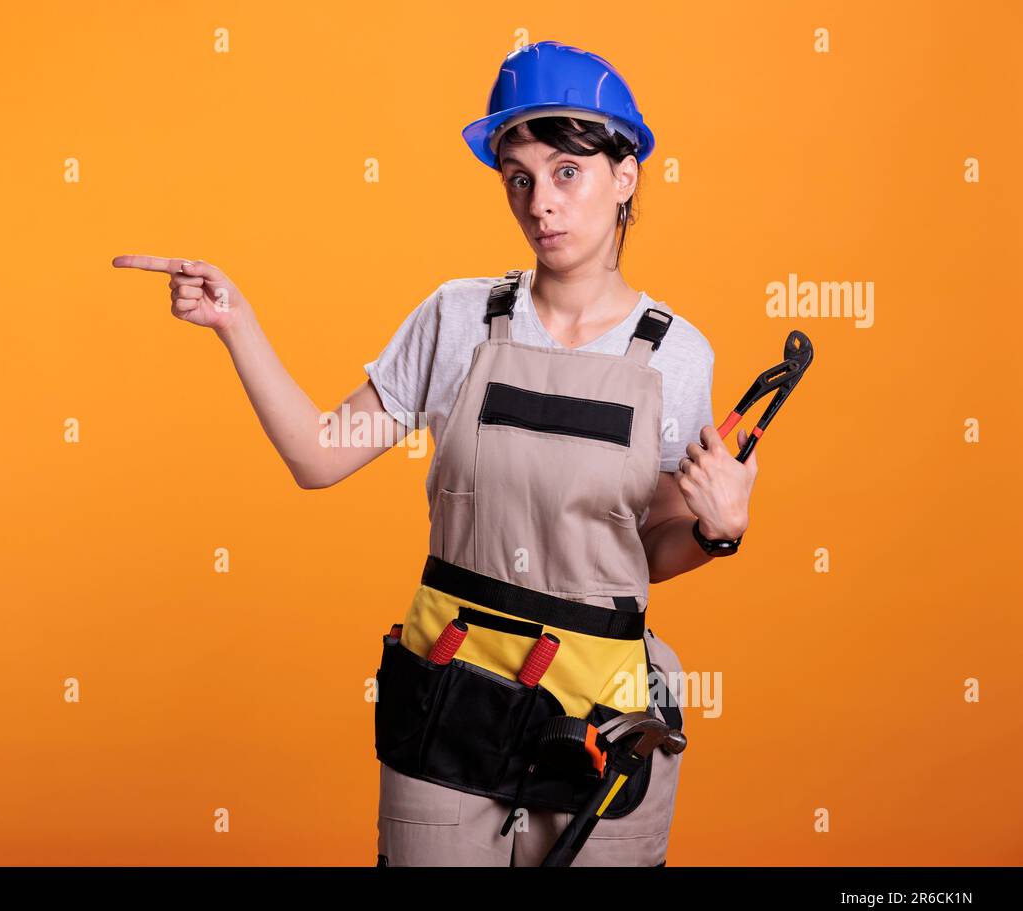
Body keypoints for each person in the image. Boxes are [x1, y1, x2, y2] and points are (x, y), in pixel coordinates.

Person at [112, 41, 757, 867]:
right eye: (519, 177)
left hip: (595, 715)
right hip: (448, 698)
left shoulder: (675, 355)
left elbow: (651, 553)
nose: (540, 204)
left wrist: (718, 531)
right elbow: (319, 454)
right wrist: (238, 324)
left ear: (625, 174)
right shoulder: (457, 318)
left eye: (567, 172)